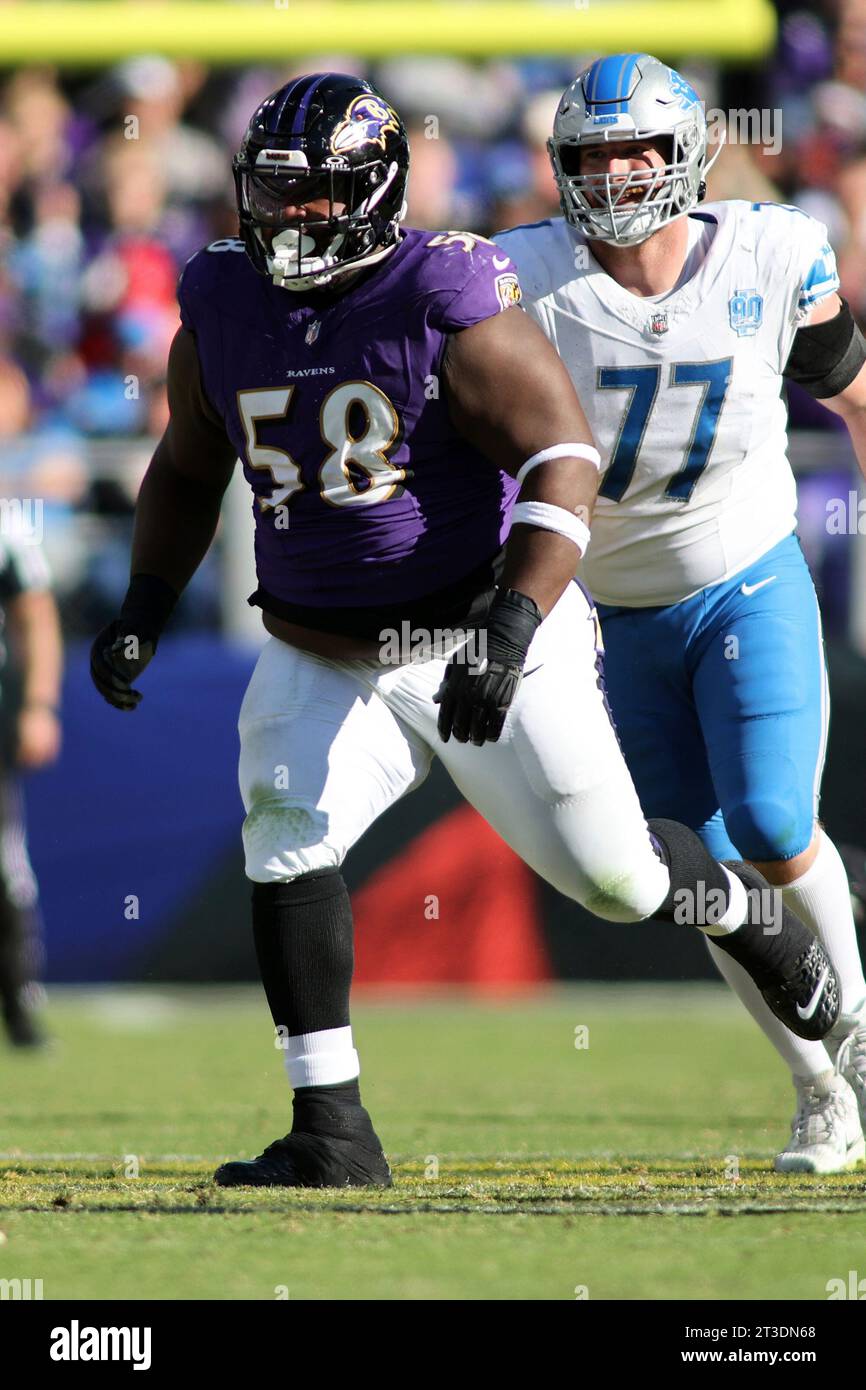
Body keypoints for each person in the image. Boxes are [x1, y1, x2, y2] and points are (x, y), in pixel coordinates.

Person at [91, 73, 839, 1188]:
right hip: (317, 646)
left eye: (321, 193)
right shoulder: (222, 299)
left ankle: (736, 904)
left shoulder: (438, 289)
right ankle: (332, 1129)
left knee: (620, 883)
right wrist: (146, 603)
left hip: (476, 634)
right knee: (285, 824)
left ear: (378, 189)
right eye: (277, 192)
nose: (293, 217)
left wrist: (511, 619)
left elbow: (561, 460)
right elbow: (188, 463)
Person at [495, 52, 866, 1174]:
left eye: (635, 150)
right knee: (697, 878)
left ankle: (853, 1023)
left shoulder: (768, 250)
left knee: (765, 823)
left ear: (684, 153)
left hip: (745, 574)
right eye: (592, 154)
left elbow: (849, 393)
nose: (613, 175)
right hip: (613, 613)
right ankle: (816, 1093)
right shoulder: (524, 279)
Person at [0, 525, 63, 1046]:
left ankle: (19, 1003)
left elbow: (35, 615)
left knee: (5, 867)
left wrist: (38, 704)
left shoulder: (7, 530)